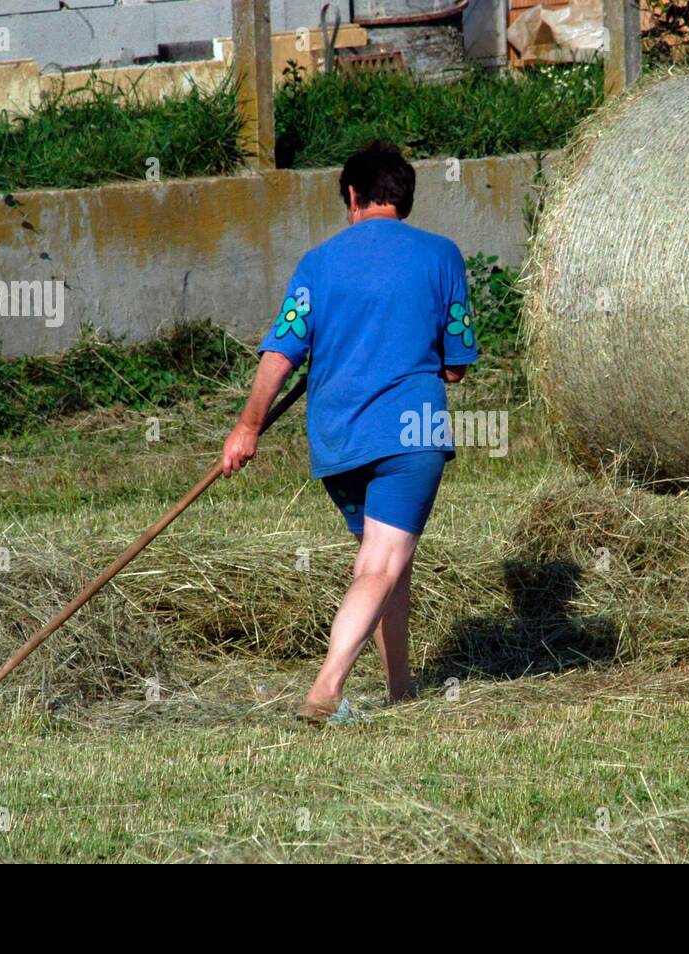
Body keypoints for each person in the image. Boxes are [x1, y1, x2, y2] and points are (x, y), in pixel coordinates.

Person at [220, 141, 478, 723]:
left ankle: (400, 690)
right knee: (380, 567)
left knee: (388, 562)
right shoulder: (443, 257)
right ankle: (327, 687)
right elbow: (457, 364)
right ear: (404, 199)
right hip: (410, 435)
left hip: (338, 441)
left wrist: (248, 427)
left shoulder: (317, 263)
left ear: (354, 197)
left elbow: (280, 354)